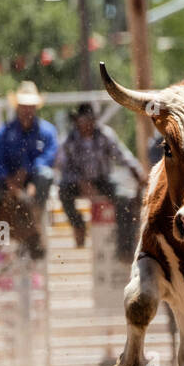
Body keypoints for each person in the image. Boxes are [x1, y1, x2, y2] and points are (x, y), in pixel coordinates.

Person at [55, 102, 145, 259]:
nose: (88, 124)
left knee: (124, 198)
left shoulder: (104, 135)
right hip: (78, 182)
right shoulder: (69, 140)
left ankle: (124, 248)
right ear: (77, 121)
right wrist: (80, 181)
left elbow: (123, 155)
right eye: (84, 120)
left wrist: (137, 171)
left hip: (103, 180)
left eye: (90, 120)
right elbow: (62, 167)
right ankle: (78, 225)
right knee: (63, 190)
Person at [0, 80, 57, 207]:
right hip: (8, 180)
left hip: (34, 180)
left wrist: (28, 172)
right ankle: (4, 212)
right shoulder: (4, 132)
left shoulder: (48, 132)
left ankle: (36, 214)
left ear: (35, 107)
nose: (27, 110)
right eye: (24, 106)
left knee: (45, 175)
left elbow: (49, 157)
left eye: (30, 106)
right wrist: (8, 180)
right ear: (17, 107)